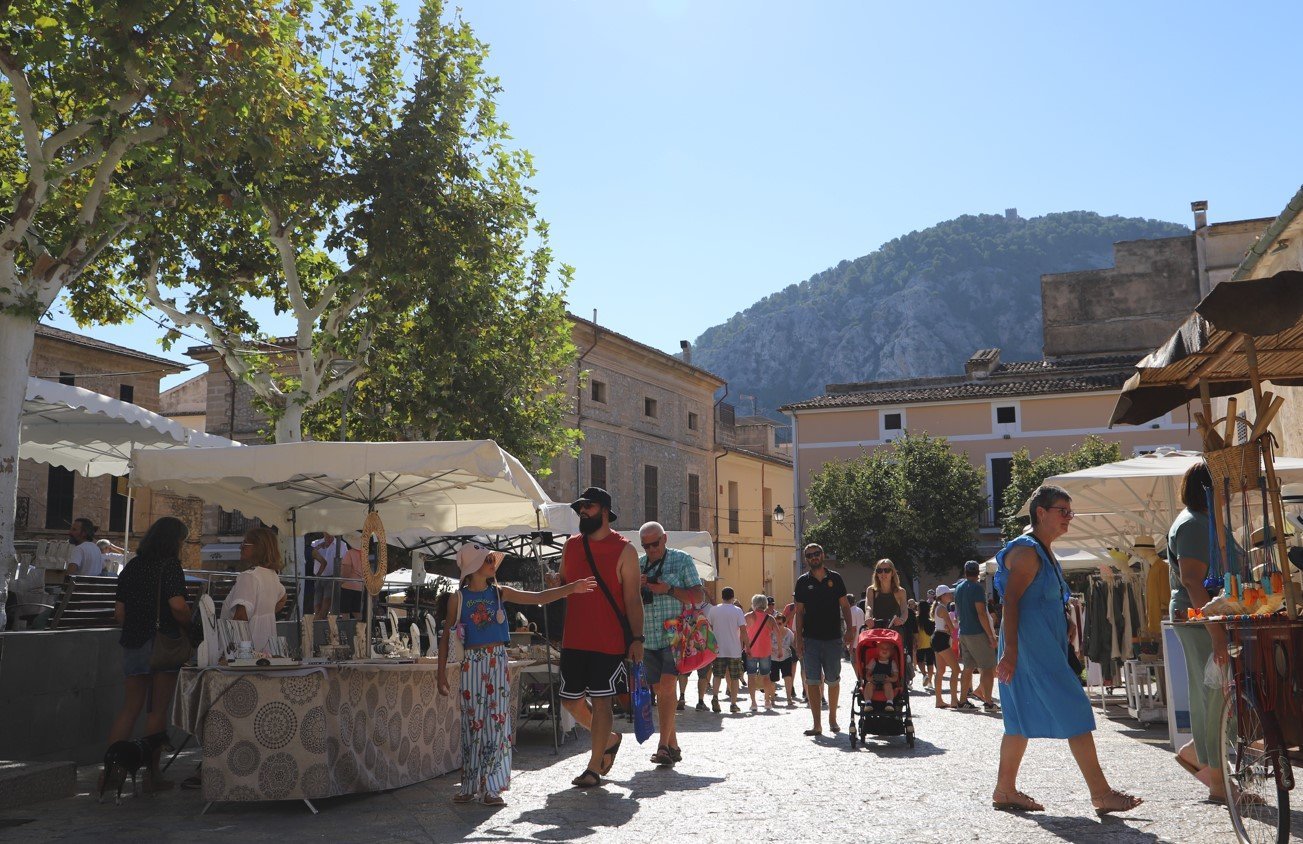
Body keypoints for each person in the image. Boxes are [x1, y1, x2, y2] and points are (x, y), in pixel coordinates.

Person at [991, 485, 1141, 816]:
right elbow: (1011, 601)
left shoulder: (1042, 550)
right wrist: (1011, 652)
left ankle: (1004, 789)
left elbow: (1038, 597)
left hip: (1039, 641)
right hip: (1031, 645)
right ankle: (1101, 793)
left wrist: (1065, 620)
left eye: (1070, 512)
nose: (1069, 518)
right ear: (1040, 512)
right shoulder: (1028, 551)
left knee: (1018, 717)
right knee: (1075, 708)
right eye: (1063, 511)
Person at [438, 541, 594, 805]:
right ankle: (470, 784)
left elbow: (540, 597)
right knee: (472, 724)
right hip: (471, 663)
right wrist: (440, 673)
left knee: (497, 722)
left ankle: (492, 787)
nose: (493, 563)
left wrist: (571, 588)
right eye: (487, 560)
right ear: (474, 565)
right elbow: (445, 637)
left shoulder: (500, 593)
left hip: (497, 661)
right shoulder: (458, 599)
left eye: (491, 559)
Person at [554, 487, 644, 789]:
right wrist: (554, 583)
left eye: (588, 506)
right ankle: (609, 739)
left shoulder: (625, 550)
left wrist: (638, 639)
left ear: (605, 511)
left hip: (608, 640)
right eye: (580, 507)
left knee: (603, 702)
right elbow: (563, 582)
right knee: (570, 702)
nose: (582, 511)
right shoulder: (571, 546)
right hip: (574, 637)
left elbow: (633, 599)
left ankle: (593, 767)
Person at [106, 516, 192, 792]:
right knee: (157, 710)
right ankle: (152, 775)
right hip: (162, 644)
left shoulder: (133, 566)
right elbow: (177, 605)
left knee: (129, 708)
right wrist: (190, 622)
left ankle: (110, 774)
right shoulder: (170, 566)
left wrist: (137, 627)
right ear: (174, 541)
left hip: (133, 642)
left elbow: (119, 612)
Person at [1167, 462, 1230, 802]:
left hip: (1207, 617)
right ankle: (1218, 780)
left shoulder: (1205, 520)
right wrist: (1216, 632)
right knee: (1214, 693)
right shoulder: (1192, 523)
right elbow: (1192, 580)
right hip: (1200, 619)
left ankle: (1197, 753)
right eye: (1223, 483)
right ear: (1210, 487)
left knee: (1219, 692)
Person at [637, 521, 704, 766]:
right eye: (646, 546)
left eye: (655, 544)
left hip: (675, 634)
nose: (651, 550)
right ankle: (673, 745)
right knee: (660, 691)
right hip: (648, 636)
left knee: (667, 686)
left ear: (664, 538)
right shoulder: (639, 565)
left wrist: (668, 589)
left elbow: (698, 596)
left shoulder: (681, 560)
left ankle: (663, 747)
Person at [792, 544, 854, 736]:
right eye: (809, 555)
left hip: (833, 638)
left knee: (833, 680)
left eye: (816, 554)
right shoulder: (802, 582)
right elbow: (799, 612)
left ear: (823, 555)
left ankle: (832, 719)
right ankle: (817, 724)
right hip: (810, 639)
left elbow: (845, 606)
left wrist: (850, 630)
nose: (814, 557)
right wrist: (798, 639)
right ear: (806, 559)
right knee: (812, 680)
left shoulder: (835, 578)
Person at [222, 527, 288, 652]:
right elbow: (283, 598)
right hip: (267, 649)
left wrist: (230, 652)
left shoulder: (249, 577)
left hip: (246, 652)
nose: (240, 547)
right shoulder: (272, 575)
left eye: (245, 543)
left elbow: (240, 618)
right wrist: (262, 615)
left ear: (258, 548)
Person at [956, 560, 1000, 712]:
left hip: (964, 632)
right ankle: (988, 703)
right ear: (978, 573)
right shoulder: (977, 588)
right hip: (977, 633)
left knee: (967, 668)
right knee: (987, 668)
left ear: (965, 572)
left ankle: (962, 701)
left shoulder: (959, 588)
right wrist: (991, 636)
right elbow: (981, 613)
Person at [707, 587, 747, 713]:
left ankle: (715, 697)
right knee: (735, 677)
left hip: (718, 648)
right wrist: (748, 646)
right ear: (733, 597)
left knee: (717, 675)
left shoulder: (713, 610)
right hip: (734, 649)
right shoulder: (737, 610)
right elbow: (743, 630)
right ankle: (733, 704)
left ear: (722, 596)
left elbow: (709, 628)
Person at [743, 593, 780, 711]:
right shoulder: (770, 618)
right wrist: (780, 649)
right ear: (765, 604)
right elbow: (778, 633)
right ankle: (767, 701)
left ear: (754, 604)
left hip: (751, 651)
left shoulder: (748, 616)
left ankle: (753, 702)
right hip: (765, 651)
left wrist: (743, 646)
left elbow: (742, 633)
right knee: (766, 677)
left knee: (751, 677)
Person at [931, 584, 961, 709]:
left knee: (940, 671)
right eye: (948, 593)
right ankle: (954, 700)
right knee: (956, 669)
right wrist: (952, 626)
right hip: (942, 639)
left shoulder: (939, 607)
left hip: (937, 637)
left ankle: (939, 700)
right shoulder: (943, 608)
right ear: (942, 596)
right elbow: (952, 628)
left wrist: (949, 627)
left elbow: (948, 627)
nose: (950, 595)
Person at [309, 530, 346, 616]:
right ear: (323, 532)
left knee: (326, 605)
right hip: (318, 577)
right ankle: (318, 621)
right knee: (317, 604)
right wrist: (318, 547)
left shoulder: (342, 545)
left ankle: (318, 621)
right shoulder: (315, 543)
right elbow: (309, 556)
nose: (328, 534)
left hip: (332, 578)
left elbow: (344, 563)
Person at [770, 611, 798, 708]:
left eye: (780, 623)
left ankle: (789, 698)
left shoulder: (789, 633)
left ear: (784, 623)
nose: (778, 626)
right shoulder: (771, 632)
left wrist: (798, 651)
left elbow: (793, 644)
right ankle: (772, 698)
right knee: (772, 679)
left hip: (786, 657)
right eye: (776, 623)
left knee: (788, 678)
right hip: (773, 658)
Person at [864, 639, 900, 710]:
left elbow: (895, 676)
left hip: (886, 681)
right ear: (878, 650)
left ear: (891, 651)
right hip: (874, 681)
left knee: (888, 685)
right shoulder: (873, 661)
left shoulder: (892, 663)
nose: (885, 650)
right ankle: (868, 703)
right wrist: (869, 678)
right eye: (882, 648)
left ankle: (889, 703)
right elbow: (868, 673)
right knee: (868, 684)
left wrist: (890, 679)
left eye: (887, 648)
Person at [339, 531, 366, 619]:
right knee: (356, 611)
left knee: (345, 611)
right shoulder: (363, 555)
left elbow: (346, 572)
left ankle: (346, 627)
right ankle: (361, 627)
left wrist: (340, 582)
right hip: (359, 586)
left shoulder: (349, 553)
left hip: (348, 586)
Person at [914, 603, 935, 689]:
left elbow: (915, 631)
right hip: (930, 644)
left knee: (920, 661)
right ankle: (930, 681)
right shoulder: (931, 619)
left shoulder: (917, 619)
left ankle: (924, 675)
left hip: (920, 643)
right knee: (930, 663)